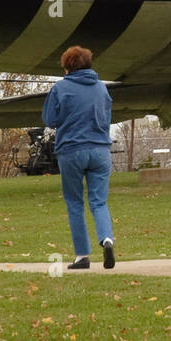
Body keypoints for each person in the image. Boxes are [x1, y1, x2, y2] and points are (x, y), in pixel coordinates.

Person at [42, 45, 115, 269]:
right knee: (99, 202)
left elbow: (49, 119)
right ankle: (107, 239)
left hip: (71, 150)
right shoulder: (102, 89)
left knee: (75, 202)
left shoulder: (60, 88)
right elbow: (106, 117)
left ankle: (82, 256)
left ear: (67, 68)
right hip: (100, 150)